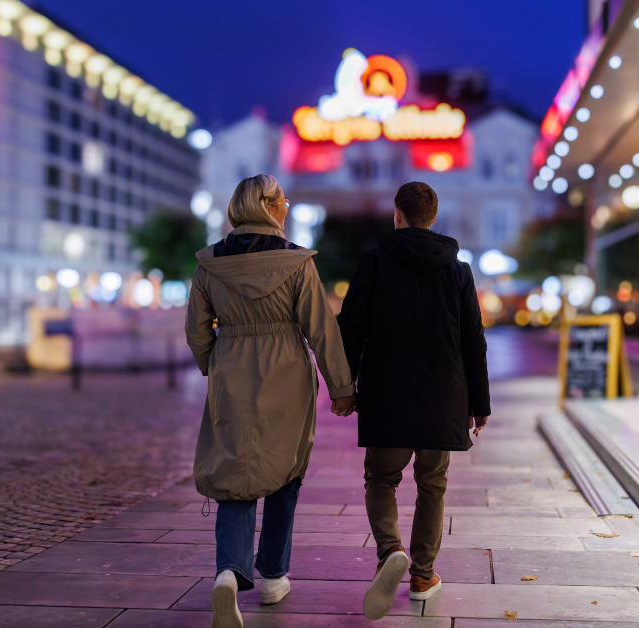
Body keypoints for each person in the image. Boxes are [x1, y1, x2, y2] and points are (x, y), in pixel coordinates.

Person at [186, 174, 356, 628]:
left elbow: (196, 331)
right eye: (283, 199)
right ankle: (275, 576)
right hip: (287, 371)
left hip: (232, 370)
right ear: (267, 206)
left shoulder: (209, 263)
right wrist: (341, 387)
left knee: (233, 466)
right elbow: (321, 328)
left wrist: (214, 364)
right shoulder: (296, 263)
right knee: (286, 469)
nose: (287, 205)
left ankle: (229, 570)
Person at [338, 181, 490, 618]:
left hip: (388, 392)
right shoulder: (458, 270)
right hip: (444, 396)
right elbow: (472, 341)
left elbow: (352, 329)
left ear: (397, 214)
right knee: (432, 483)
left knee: (382, 479)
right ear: (433, 218)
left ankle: (390, 553)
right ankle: (423, 575)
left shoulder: (374, 261)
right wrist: (479, 403)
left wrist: (343, 388)